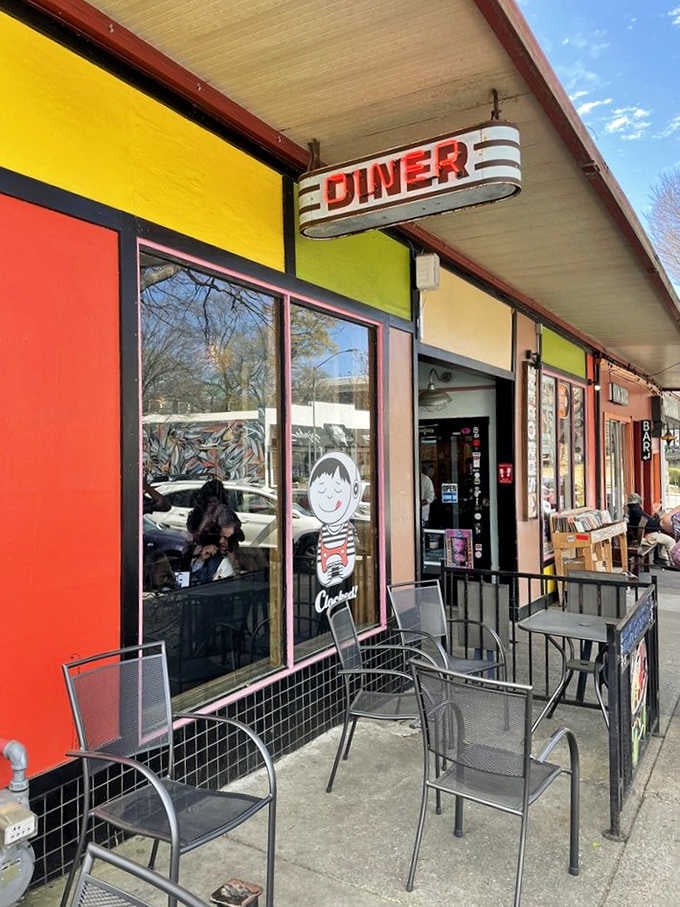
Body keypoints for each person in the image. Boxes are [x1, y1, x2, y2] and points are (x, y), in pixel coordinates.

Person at [626, 493, 675, 567]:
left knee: (663, 538)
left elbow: (649, 521)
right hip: (647, 536)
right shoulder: (636, 510)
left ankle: (662, 559)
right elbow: (651, 522)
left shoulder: (633, 510)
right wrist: (659, 521)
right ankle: (674, 563)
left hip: (645, 534)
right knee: (671, 541)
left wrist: (657, 516)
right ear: (639, 501)